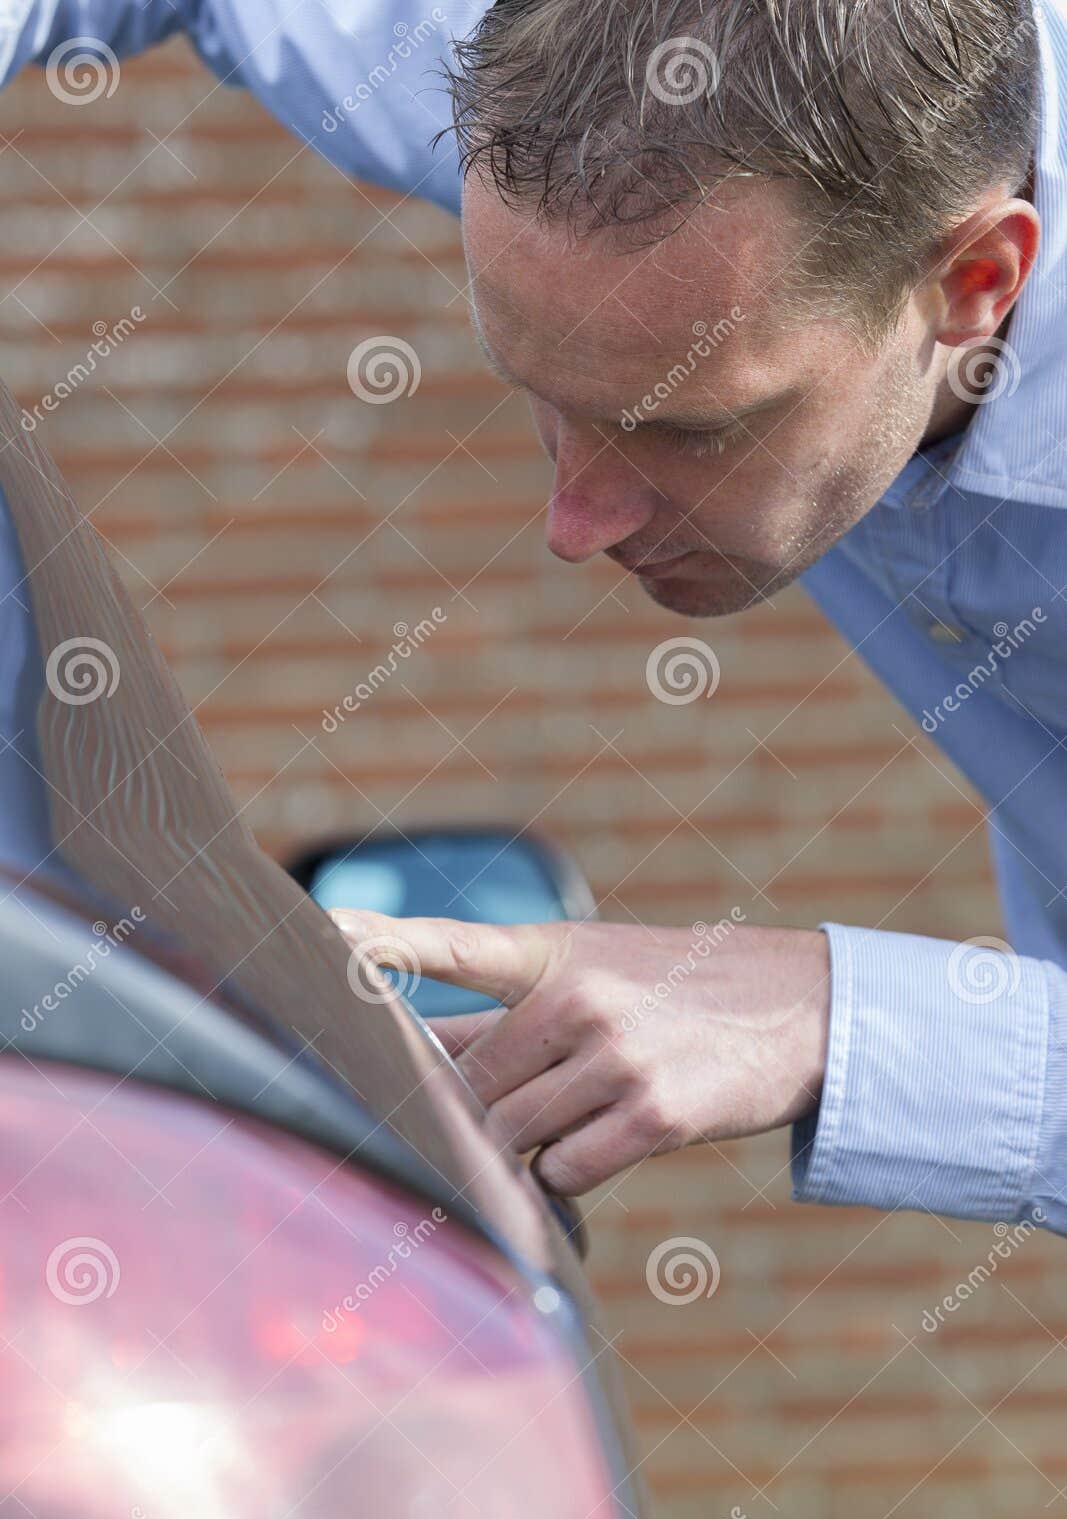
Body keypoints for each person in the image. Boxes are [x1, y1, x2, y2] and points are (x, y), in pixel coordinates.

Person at [5, 1, 1066, 1231]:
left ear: (974, 282)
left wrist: (826, 1019)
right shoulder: (578, 92)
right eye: (539, 388)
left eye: (689, 429)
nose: (573, 522)